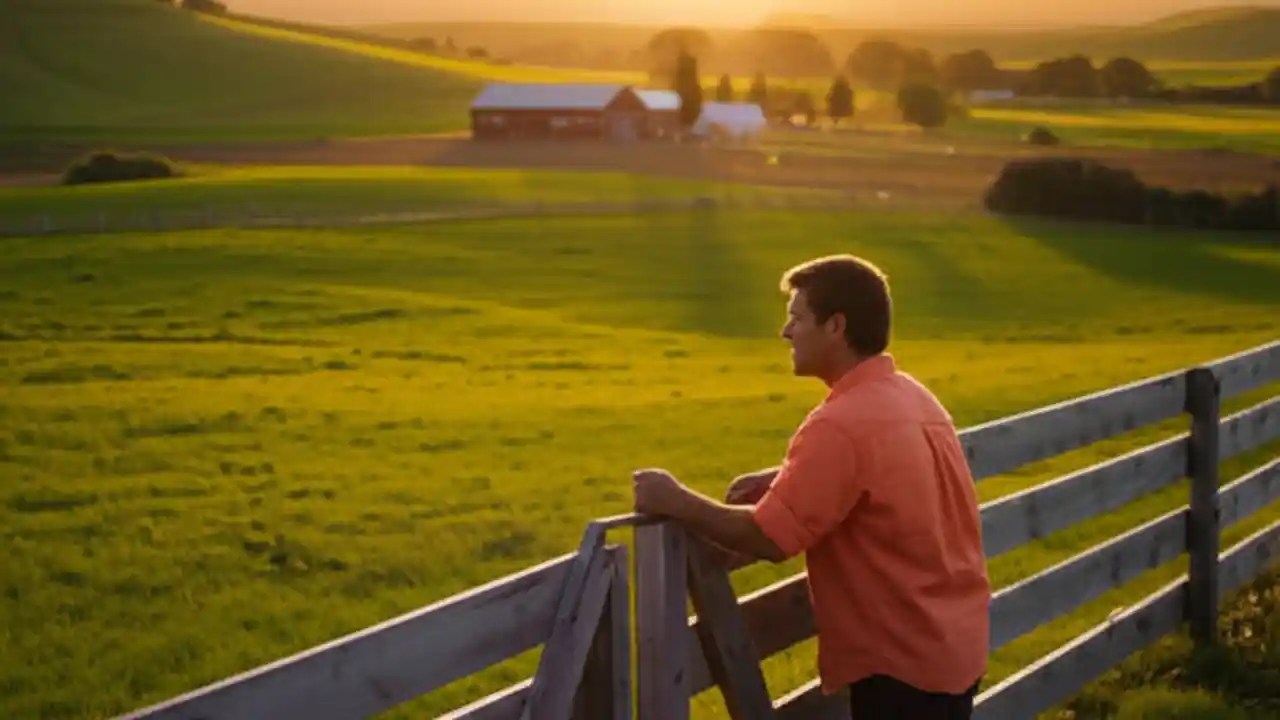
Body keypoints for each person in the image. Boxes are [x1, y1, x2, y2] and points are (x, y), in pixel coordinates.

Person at [633, 254, 990, 719]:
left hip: (900, 667)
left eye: (796, 318)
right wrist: (787, 481)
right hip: (952, 646)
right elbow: (869, 488)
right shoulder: (912, 397)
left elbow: (769, 537)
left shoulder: (841, 424)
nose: (786, 332)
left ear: (836, 326)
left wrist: (674, 500)